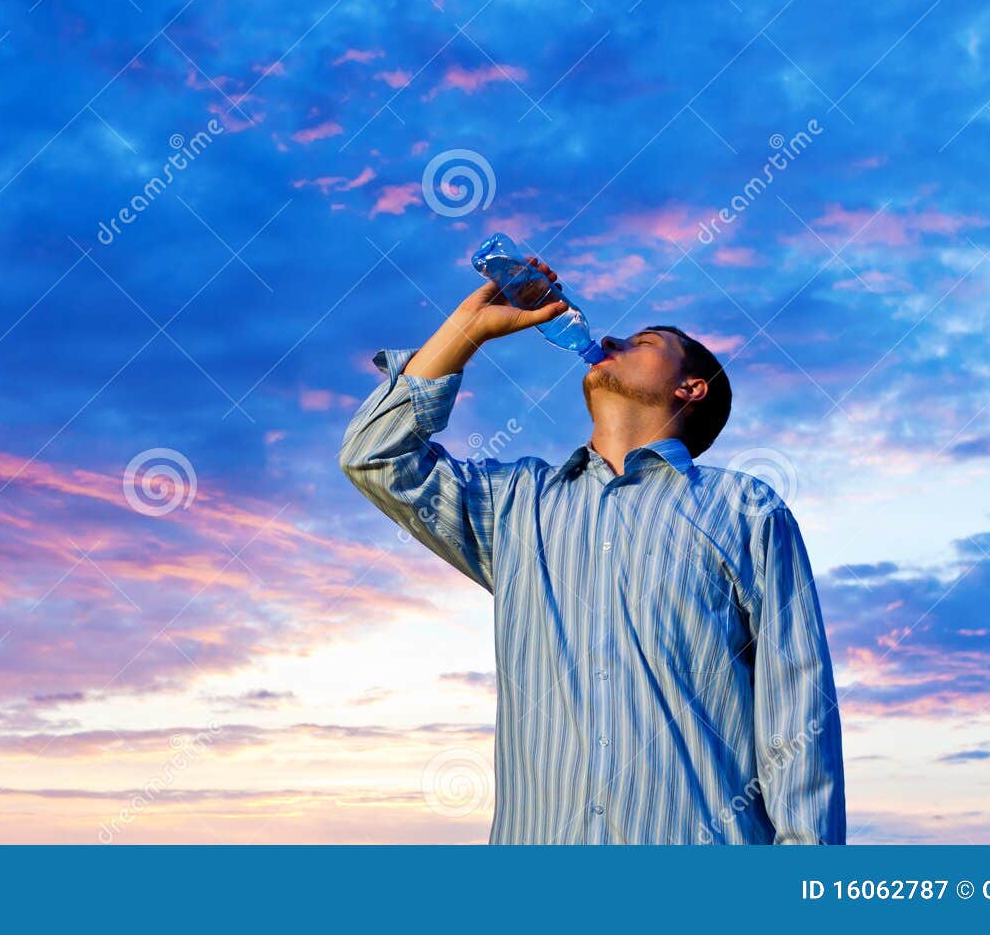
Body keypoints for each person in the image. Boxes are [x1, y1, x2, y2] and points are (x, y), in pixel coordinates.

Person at [339, 254, 846, 844]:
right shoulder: (514, 506)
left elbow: (797, 706)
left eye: (645, 340)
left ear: (690, 387)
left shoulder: (745, 509)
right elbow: (375, 456)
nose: (609, 338)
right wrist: (467, 330)